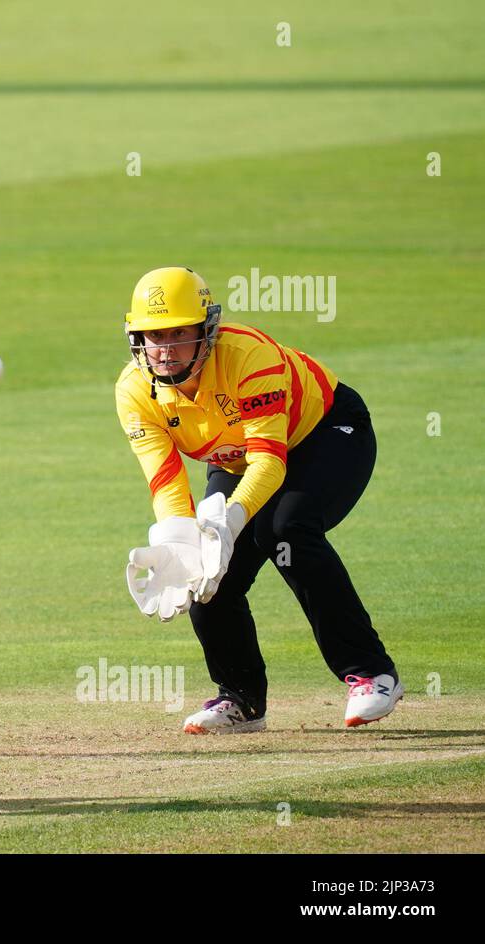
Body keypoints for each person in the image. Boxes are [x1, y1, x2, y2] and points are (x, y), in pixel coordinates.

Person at [115, 266, 400, 733]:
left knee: (285, 530)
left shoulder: (249, 357)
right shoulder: (133, 392)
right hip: (234, 460)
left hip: (324, 433)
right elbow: (166, 482)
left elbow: (269, 462)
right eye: (152, 336)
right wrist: (178, 540)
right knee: (203, 567)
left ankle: (372, 674)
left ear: (206, 331)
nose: (164, 349)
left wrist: (229, 523)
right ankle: (241, 698)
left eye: (178, 334)